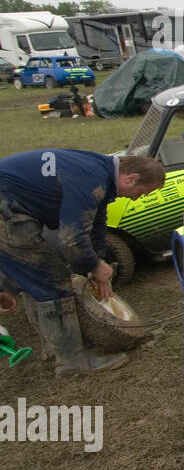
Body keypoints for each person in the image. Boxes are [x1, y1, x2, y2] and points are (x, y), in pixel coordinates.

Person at [0, 151, 165, 373]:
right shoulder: (91, 178)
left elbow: (95, 224)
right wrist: (94, 267)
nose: (137, 198)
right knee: (52, 279)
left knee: (35, 276)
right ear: (131, 178)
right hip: (6, 211)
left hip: (11, 205)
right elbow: (71, 239)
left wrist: (96, 260)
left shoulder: (101, 170)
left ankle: (53, 345)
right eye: (141, 193)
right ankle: (72, 362)